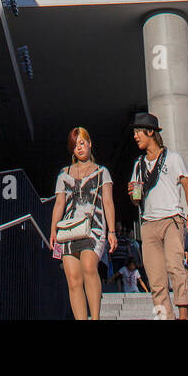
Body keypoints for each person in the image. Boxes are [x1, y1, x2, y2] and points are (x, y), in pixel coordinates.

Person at [128, 111, 188, 321]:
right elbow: (136, 200)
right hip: (148, 223)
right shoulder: (138, 164)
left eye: (138, 132)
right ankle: (164, 317)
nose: (135, 136)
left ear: (150, 132)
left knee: (175, 267)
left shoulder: (173, 158)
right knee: (155, 278)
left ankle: (183, 315)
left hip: (172, 219)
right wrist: (133, 195)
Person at [50, 126, 117, 321]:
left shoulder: (102, 172)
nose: (79, 148)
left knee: (89, 267)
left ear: (89, 144)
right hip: (69, 229)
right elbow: (59, 203)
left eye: (82, 143)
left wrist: (112, 231)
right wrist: (53, 228)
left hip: (93, 227)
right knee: (73, 279)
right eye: (75, 144)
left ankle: (94, 317)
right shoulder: (64, 174)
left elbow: (108, 202)